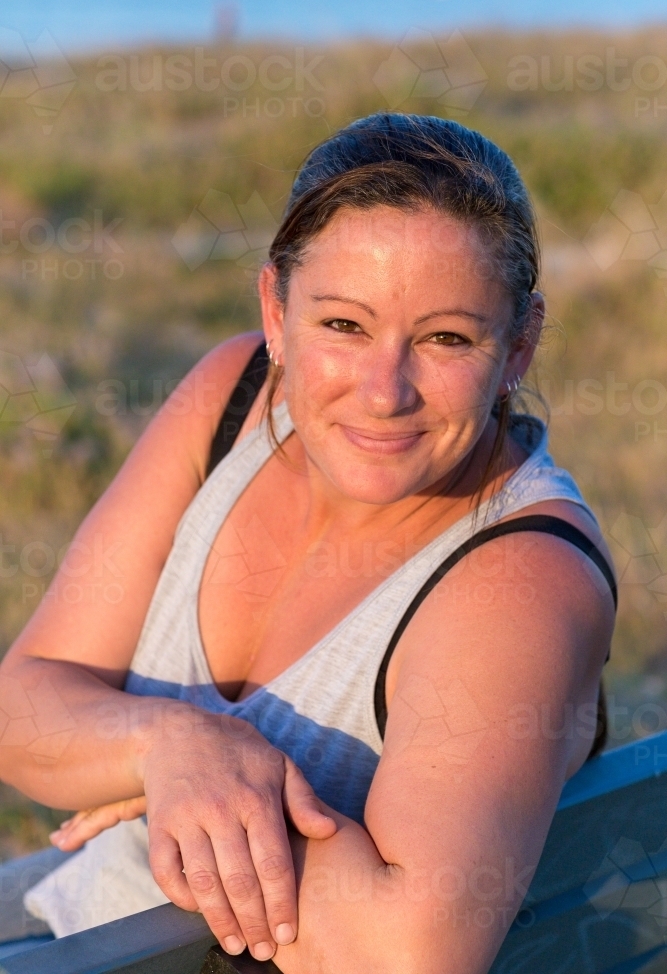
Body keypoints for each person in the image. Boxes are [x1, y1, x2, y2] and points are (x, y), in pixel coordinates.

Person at [0, 113, 616, 973]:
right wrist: (171, 746)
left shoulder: (519, 579)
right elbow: (21, 711)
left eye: (446, 338)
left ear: (519, 345)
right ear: (274, 312)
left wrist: (217, 779)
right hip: (75, 923)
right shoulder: (232, 395)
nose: (383, 391)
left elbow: (402, 957)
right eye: (342, 326)